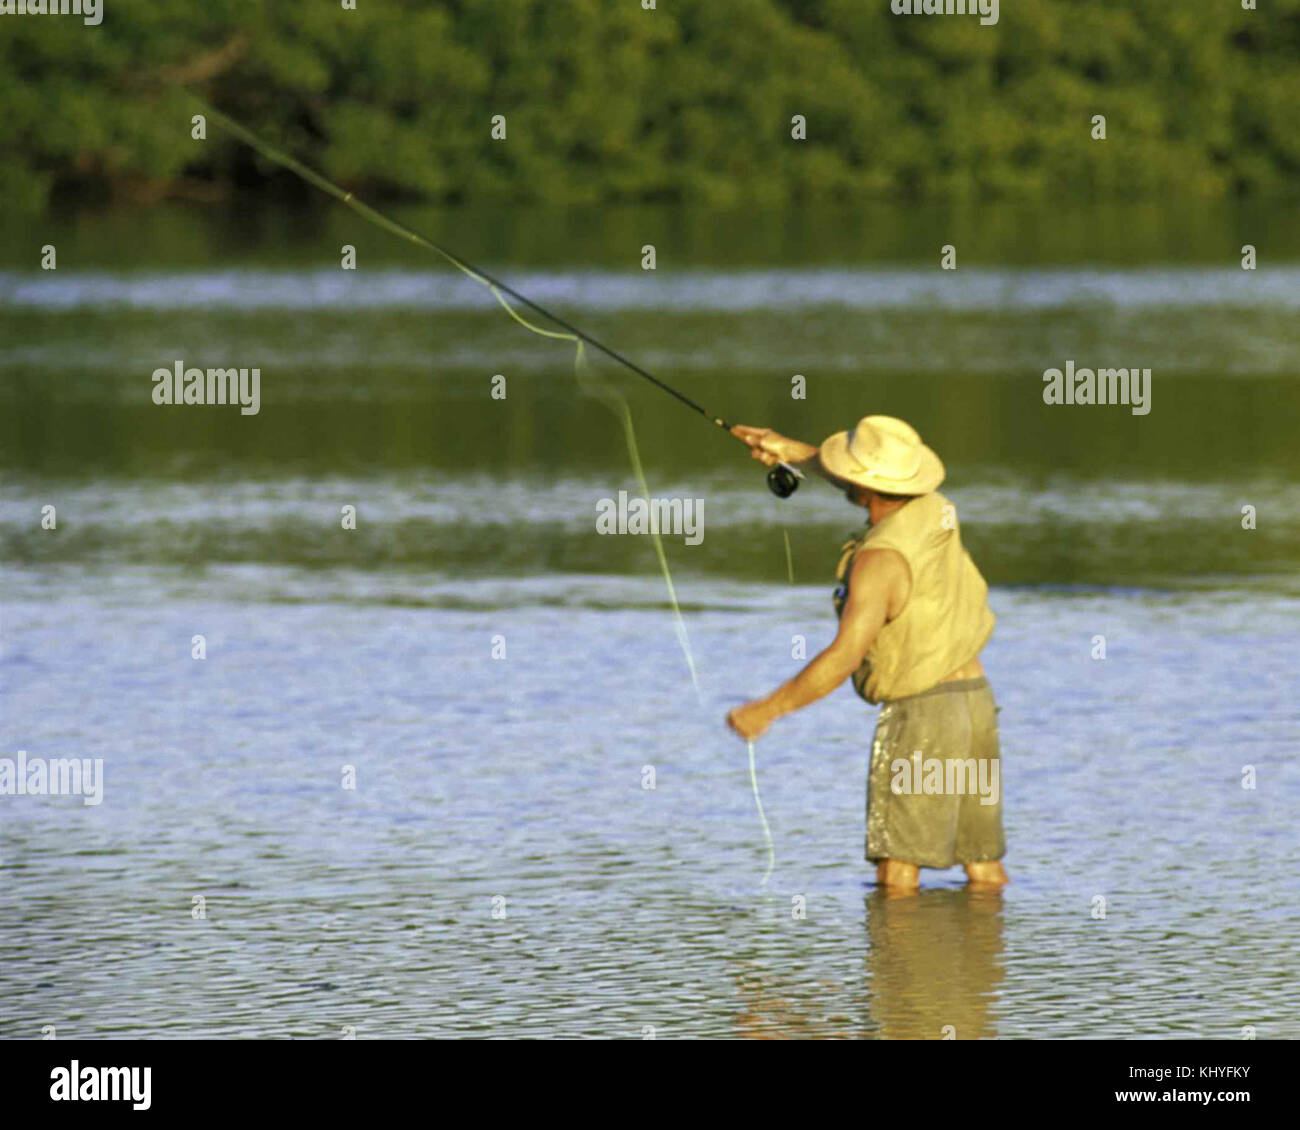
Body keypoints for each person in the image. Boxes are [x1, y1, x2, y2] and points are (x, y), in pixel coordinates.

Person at [725, 416, 1008, 891]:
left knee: (896, 874)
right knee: (983, 869)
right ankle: (980, 963)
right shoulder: (938, 509)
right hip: (973, 702)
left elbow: (844, 657)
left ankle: (895, 965)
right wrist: (787, 448)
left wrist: (768, 709)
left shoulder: (878, 563)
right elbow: (863, 481)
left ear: (863, 486)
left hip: (925, 714)